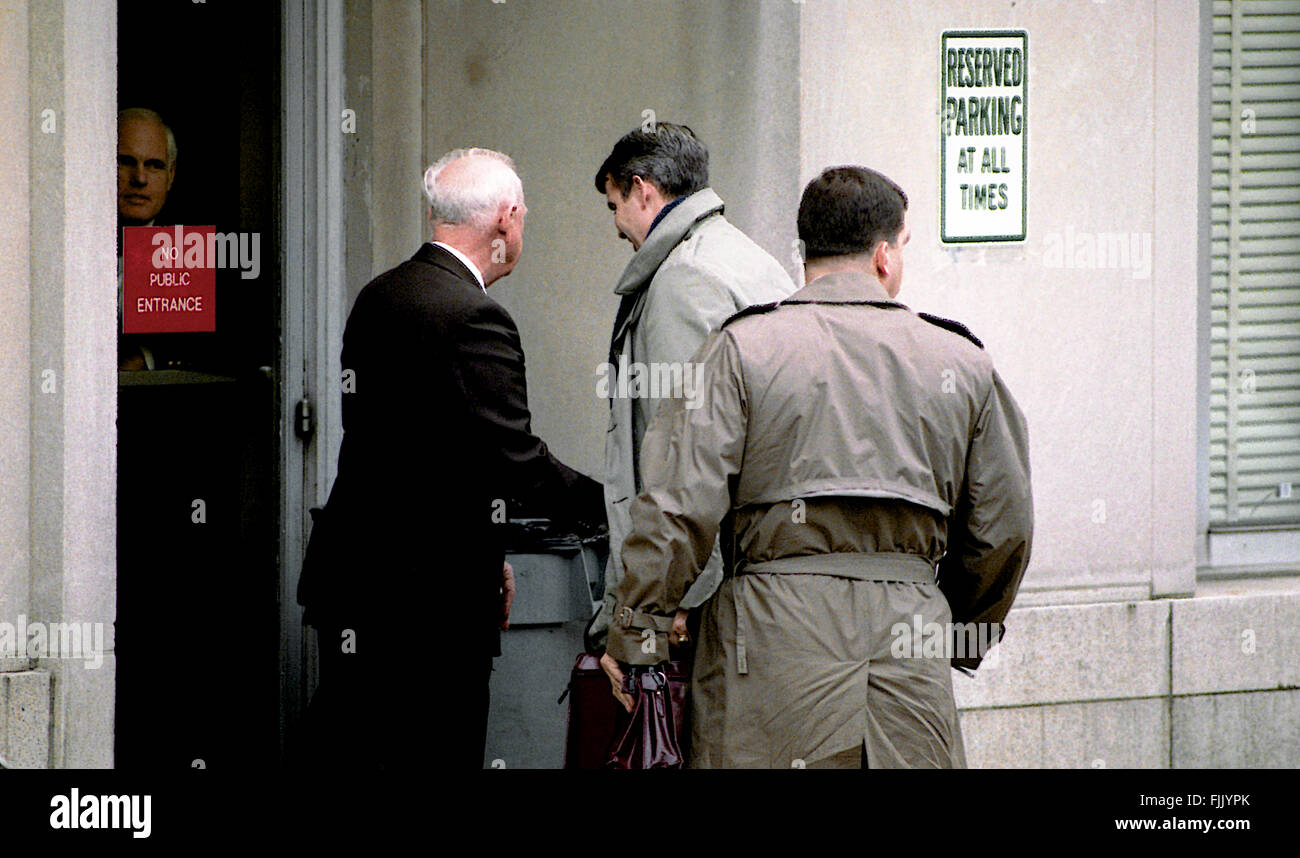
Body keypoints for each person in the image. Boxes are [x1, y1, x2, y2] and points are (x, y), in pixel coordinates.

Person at [599, 166, 1033, 768]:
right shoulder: (961, 363)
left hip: (766, 652)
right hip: (907, 651)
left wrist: (636, 634)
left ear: (804, 252)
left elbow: (677, 507)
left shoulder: (741, 348)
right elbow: (1003, 529)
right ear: (884, 255)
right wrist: (953, 627)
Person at [295, 148, 606, 769]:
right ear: (506, 218)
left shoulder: (381, 294)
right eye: (525, 215)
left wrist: (485, 552)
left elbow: (416, 457)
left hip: (358, 584)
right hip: (427, 607)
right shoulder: (473, 314)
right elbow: (513, 458)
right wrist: (618, 507)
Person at [587, 122, 795, 652]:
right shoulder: (750, 259)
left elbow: (687, 458)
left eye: (614, 205)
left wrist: (674, 595)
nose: (617, 228)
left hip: (711, 595)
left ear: (642, 190)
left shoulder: (684, 278)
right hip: (766, 573)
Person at [116, 107, 178, 370]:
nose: (140, 179)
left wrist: (146, 358)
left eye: (154, 165)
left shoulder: (200, 254)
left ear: (170, 176)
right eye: (125, 162)